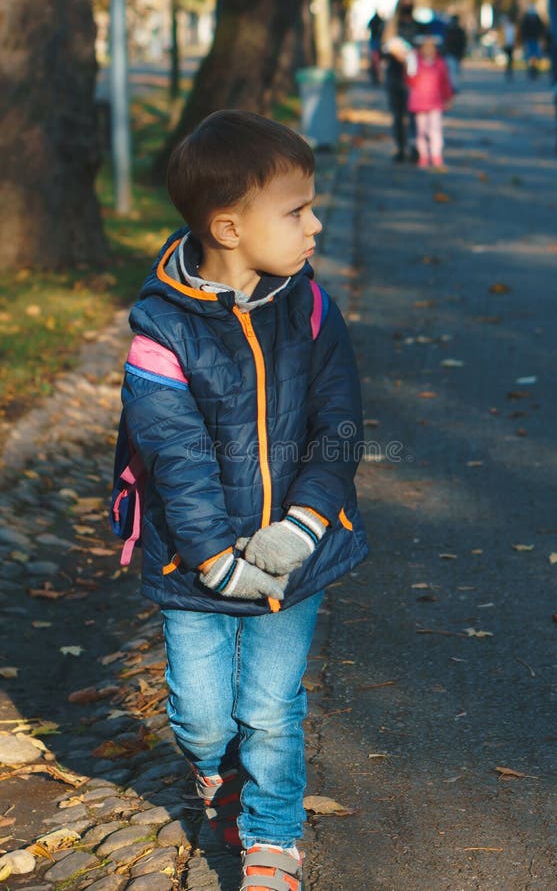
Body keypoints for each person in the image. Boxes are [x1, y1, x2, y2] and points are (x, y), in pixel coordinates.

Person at [118, 110, 368, 891]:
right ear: (228, 226)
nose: (315, 224)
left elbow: (339, 423)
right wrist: (217, 561)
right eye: (297, 211)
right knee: (200, 715)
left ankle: (270, 838)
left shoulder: (311, 307)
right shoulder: (160, 331)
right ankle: (216, 776)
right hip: (196, 559)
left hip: (293, 552)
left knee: (270, 710)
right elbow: (175, 457)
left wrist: (304, 524)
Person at [382, 0, 425, 162]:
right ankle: (401, 147)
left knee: (414, 114)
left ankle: (415, 146)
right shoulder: (391, 26)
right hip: (395, 75)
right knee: (398, 115)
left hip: (414, 77)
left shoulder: (419, 27)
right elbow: (383, 50)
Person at [406, 34, 454, 168]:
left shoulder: (440, 64)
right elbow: (410, 81)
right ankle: (423, 155)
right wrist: (409, 65)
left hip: (435, 102)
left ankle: (436, 154)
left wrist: (448, 98)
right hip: (419, 102)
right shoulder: (416, 63)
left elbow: (445, 83)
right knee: (421, 131)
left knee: (435, 130)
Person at [520, 5, 546, 78]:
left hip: (534, 39)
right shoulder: (528, 19)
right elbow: (523, 30)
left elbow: (542, 29)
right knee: (531, 55)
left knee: (534, 55)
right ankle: (532, 69)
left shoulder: (536, 19)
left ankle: (534, 69)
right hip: (530, 39)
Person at [443, 14, 468, 91]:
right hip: (452, 53)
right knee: (453, 70)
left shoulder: (453, 30)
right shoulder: (451, 30)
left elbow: (463, 43)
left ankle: (453, 86)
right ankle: (453, 86)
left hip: (454, 53)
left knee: (453, 70)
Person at [367, 10, 385, 84]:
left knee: (375, 59)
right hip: (376, 41)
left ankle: (377, 75)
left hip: (375, 41)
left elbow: (368, 27)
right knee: (376, 59)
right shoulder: (380, 21)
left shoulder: (374, 20)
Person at [502, 15, 517, 80]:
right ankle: (508, 71)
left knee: (510, 59)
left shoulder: (513, 27)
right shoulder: (505, 28)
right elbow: (502, 37)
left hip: (511, 45)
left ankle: (510, 71)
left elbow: (515, 36)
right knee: (508, 58)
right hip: (506, 45)